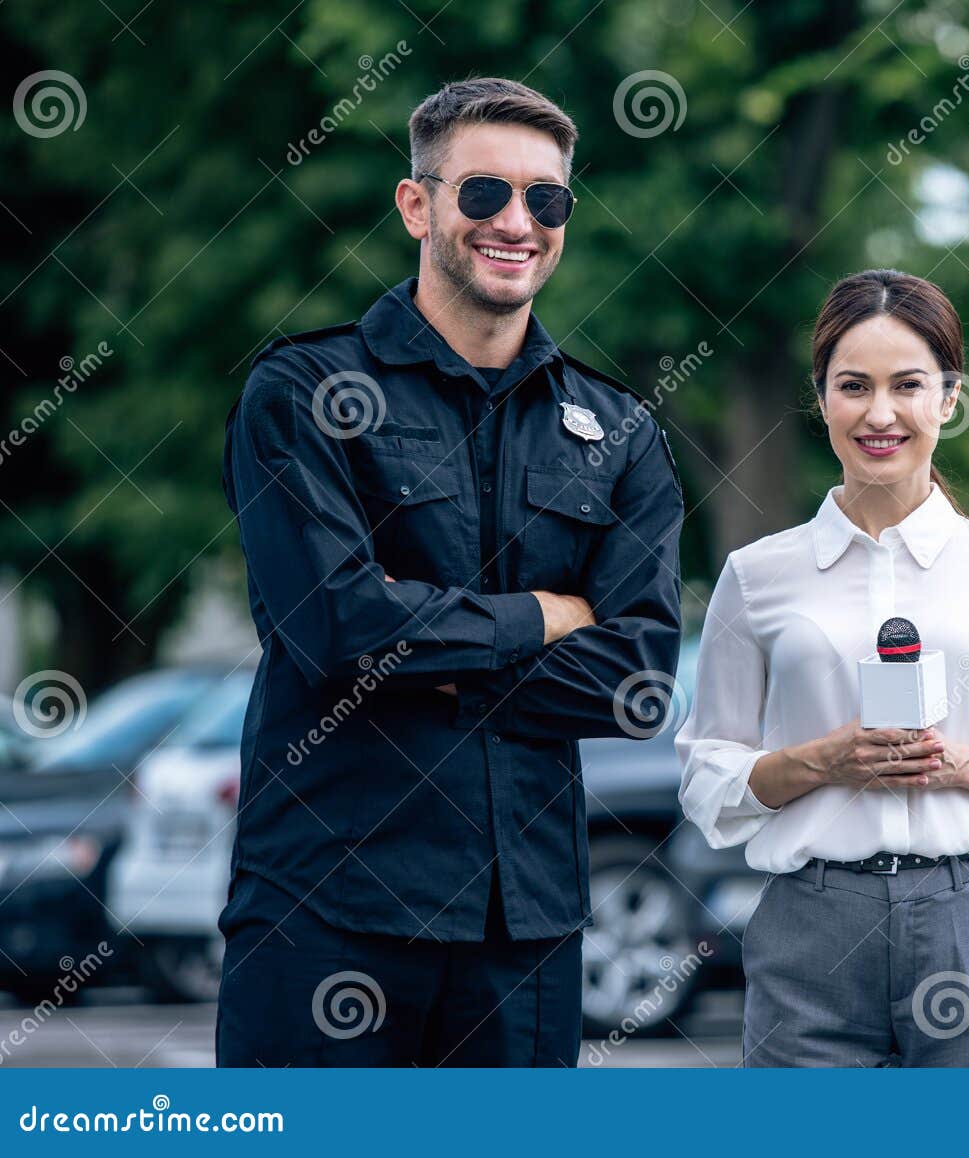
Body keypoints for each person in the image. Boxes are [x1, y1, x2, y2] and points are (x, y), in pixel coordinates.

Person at [216, 78, 684, 1067]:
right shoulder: (302, 392)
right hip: (327, 912)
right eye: (484, 193)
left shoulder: (621, 433)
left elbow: (638, 678)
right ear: (417, 205)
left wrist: (418, 650)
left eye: (545, 200)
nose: (517, 222)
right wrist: (540, 618)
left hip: (524, 934)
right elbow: (339, 631)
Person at [677, 269, 969, 1067]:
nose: (880, 414)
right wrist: (822, 761)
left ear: (948, 399)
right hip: (809, 929)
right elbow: (707, 780)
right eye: (854, 387)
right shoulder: (756, 576)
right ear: (822, 400)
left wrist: (960, 764)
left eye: (907, 385)